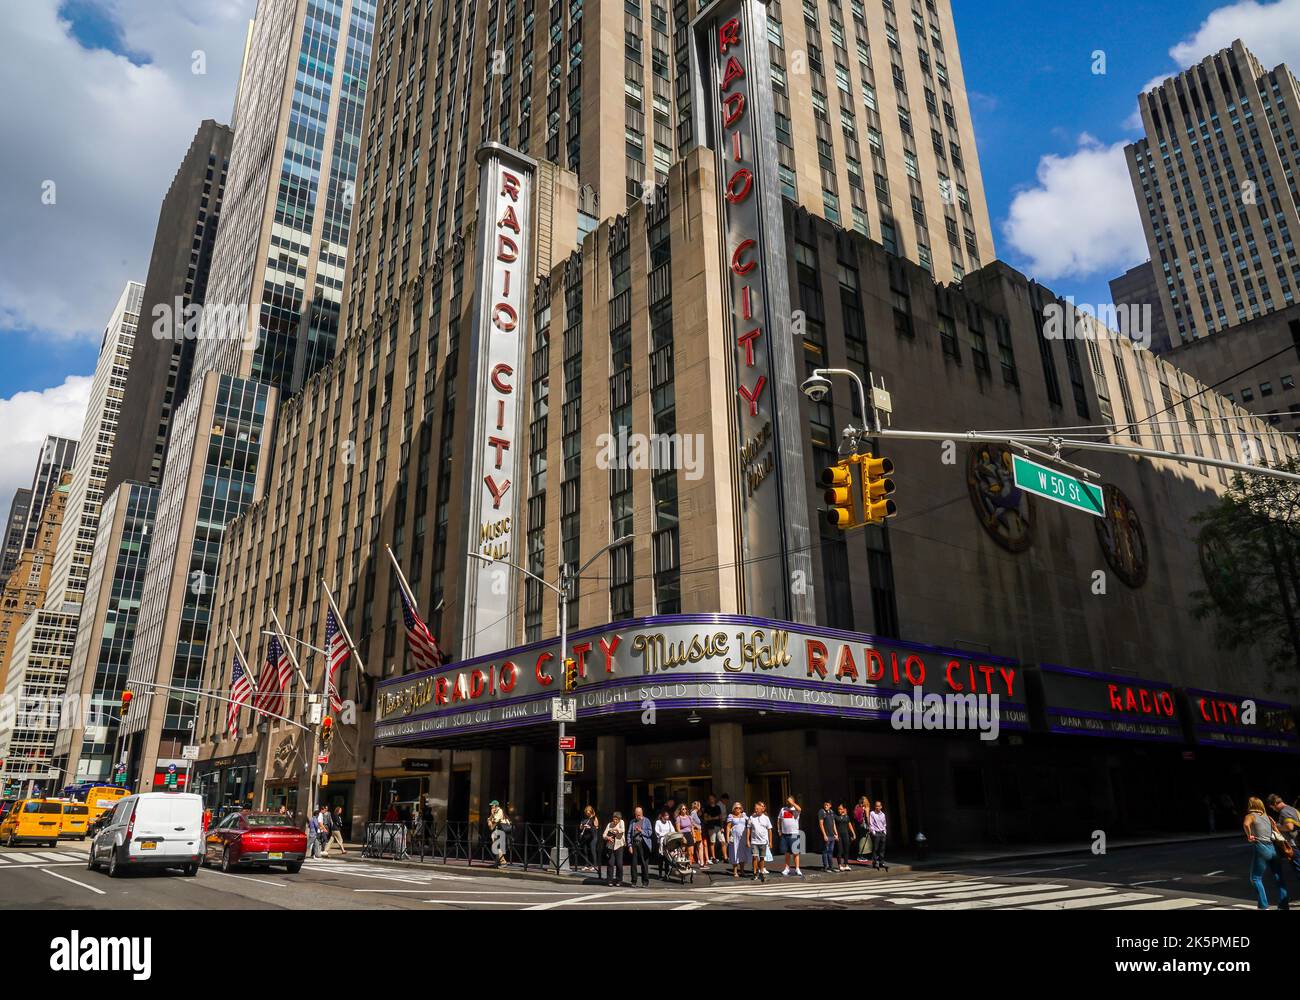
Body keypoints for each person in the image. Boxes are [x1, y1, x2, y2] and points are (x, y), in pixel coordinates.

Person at [1245, 796, 1290, 910]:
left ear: (1251, 805)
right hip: (1273, 848)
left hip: (1261, 847)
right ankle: (1284, 905)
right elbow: (1277, 831)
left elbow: (1246, 824)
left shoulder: (1250, 816)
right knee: (1278, 876)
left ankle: (1264, 906)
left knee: (1255, 878)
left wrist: (1249, 836)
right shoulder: (1268, 817)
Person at [1267, 794, 1300, 880]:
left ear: (1274, 804)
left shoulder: (1284, 811)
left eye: (1272, 807)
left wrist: (1276, 826)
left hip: (1294, 845)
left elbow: (1289, 827)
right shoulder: (1292, 809)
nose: (1273, 810)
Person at [627, 806, 653, 887]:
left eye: (638, 815)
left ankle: (645, 882)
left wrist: (641, 831)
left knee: (644, 863)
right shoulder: (632, 821)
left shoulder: (646, 821)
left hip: (643, 843)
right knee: (633, 864)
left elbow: (650, 833)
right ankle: (633, 881)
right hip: (634, 843)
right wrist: (629, 845)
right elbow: (629, 834)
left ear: (641, 814)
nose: (636, 817)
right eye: (635, 815)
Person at [747, 801, 773, 882]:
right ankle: (755, 873)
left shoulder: (766, 818)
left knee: (762, 858)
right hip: (754, 841)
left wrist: (771, 842)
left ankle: (761, 872)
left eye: (757, 808)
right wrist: (748, 840)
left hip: (763, 841)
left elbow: (769, 830)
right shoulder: (751, 817)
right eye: (755, 809)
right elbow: (748, 829)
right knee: (754, 857)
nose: (756, 810)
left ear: (762, 809)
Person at [777, 796, 803, 877]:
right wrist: (779, 830)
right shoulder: (783, 809)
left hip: (794, 833)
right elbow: (779, 820)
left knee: (796, 852)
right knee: (787, 852)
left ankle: (797, 868)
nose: (788, 802)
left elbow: (800, 809)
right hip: (785, 834)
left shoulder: (795, 809)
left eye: (790, 801)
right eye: (788, 801)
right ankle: (787, 868)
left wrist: (792, 803)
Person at [726, 802, 750, 878]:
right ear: (733, 808)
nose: (738, 809)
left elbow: (749, 822)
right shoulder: (731, 816)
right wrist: (727, 837)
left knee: (742, 854)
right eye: (736, 808)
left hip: (743, 838)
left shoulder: (744, 815)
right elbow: (728, 827)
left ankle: (742, 871)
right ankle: (735, 871)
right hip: (734, 837)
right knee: (734, 854)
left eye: (740, 808)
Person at [603, 811, 626, 887]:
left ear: (619, 819)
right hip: (611, 846)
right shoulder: (609, 824)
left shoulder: (621, 822)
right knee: (610, 863)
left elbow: (622, 830)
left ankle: (619, 880)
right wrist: (608, 837)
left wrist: (615, 830)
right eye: (614, 819)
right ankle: (609, 880)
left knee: (619, 864)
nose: (615, 821)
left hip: (619, 845)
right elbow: (604, 835)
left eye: (616, 819)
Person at [654, 809, 675, 881]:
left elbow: (673, 831)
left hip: (668, 842)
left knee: (667, 859)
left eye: (668, 815)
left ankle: (666, 874)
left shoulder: (669, 822)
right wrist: (665, 834)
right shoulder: (658, 822)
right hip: (661, 843)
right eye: (666, 816)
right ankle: (660, 874)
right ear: (662, 817)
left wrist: (668, 835)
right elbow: (657, 832)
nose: (667, 817)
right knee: (661, 859)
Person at [578, 805, 600, 873]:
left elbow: (596, 828)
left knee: (592, 850)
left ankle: (595, 866)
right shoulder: (584, 818)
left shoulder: (594, 818)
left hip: (593, 836)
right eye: (586, 813)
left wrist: (590, 827)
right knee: (585, 851)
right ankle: (586, 864)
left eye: (588, 813)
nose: (587, 814)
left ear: (591, 812)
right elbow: (580, 827)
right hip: (585, 837)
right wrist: (583, 826)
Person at [703, 794, 724, 864]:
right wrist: (715, 818)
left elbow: (720, 817)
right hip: (711, 827)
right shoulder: (707, 808)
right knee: (712, 842)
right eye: (710, 798)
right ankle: (713, 857)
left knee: (723, 841)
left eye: (712, 798)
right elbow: (706, 818)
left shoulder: (718, 807)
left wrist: (722, 827)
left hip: (718, 826)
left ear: (715, 799)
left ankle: (725, 857)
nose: (711, 800)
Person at [487, 799, 508, 868]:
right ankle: (497, 862)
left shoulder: (499, 811)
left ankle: (503, 862)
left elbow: (495, 820)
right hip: (496, 831)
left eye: (492, 806)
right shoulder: (494, 812)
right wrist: (491, 819)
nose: (491, 807)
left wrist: (492, 816)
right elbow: (489, 820)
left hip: (500, 831)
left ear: (496, 806)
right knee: (496, 847)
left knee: (498, 847)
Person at [834, 803, 855, 872]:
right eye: (838, 809)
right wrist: (835, 834)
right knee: (840, 850)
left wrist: (853, 833)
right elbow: (833, 826)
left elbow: (850, 825)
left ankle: (846, 864)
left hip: (846, 835)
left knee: (846, 850)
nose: (839, 810)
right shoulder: (836, 816)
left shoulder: (847, 816)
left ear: (844, 809)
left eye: (841, 809)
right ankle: (840, 865)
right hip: (839, 835)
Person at [818, 800, 838, 873]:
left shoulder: (831, 812)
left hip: (832, 835)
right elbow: (821, 824)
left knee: (830, 851)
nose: (826, 806)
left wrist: (836, 833)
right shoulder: (821, 812)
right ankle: (825, 867)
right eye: (825, 805)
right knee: (825, 851)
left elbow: (833, 823)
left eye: (827, 805)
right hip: (826, 835)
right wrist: (824, 835)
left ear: (830, 805)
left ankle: (831, 867)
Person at [869, 801, 888, 870]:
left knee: (882, 849)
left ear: (881, 807)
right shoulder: (872, 813)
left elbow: (884, 824)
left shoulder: (883, 814)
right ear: (875, 806)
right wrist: (873, 832)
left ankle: (881, 862)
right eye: (876, 806)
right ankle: (874, 862)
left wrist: (885, 832)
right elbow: (871, 823)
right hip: (876, 833)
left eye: (879, 806)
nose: (877, 807)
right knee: (875, 848)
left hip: (882, 833)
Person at [689, 800, 706, 867]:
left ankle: (701, 862)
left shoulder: (694, 812)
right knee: (699, 847)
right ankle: (701, 863)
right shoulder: (693, 812)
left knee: (698, 847)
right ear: (698, 806)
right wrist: (698, 827)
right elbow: (691, 821)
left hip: (697, 831)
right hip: (696, 831)